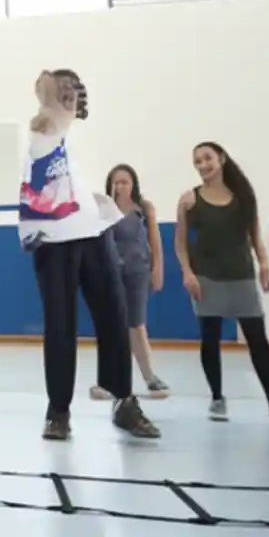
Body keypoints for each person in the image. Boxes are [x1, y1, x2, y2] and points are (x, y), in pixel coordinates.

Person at [18, 69, 159, 441]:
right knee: (60, 325)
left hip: (93, 234)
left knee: (115, 316)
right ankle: (58, 412)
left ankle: (124, 402)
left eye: (73, 91)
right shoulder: (41, 128)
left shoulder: (77, 141)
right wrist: (53, 89)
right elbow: (49, 113)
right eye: (62, 91)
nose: (69, 96)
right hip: (54, 239)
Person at [175, 142, 269, 426]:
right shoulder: (189, 200)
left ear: (221, 159)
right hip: (206, 277)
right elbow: (180, 242)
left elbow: (255, 235)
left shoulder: (243, 197)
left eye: (207, 158)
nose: (203, 165)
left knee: (258, 341)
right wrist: (187, 272)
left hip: (241, 275)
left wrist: (264, 263)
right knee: (210, 339)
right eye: (197, 161)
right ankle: (217, 399)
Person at [89, 164, 168, 400]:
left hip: (138, 272)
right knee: (112, 327)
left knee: (137, 324)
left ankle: (150, 376)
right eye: (116, 182)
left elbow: (155, 241)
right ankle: (109, 381)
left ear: (133, 184)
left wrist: (157, 269)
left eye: (124, 181)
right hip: (111, 274)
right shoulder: (104, 209)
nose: (120, 186)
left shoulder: (144, 209)